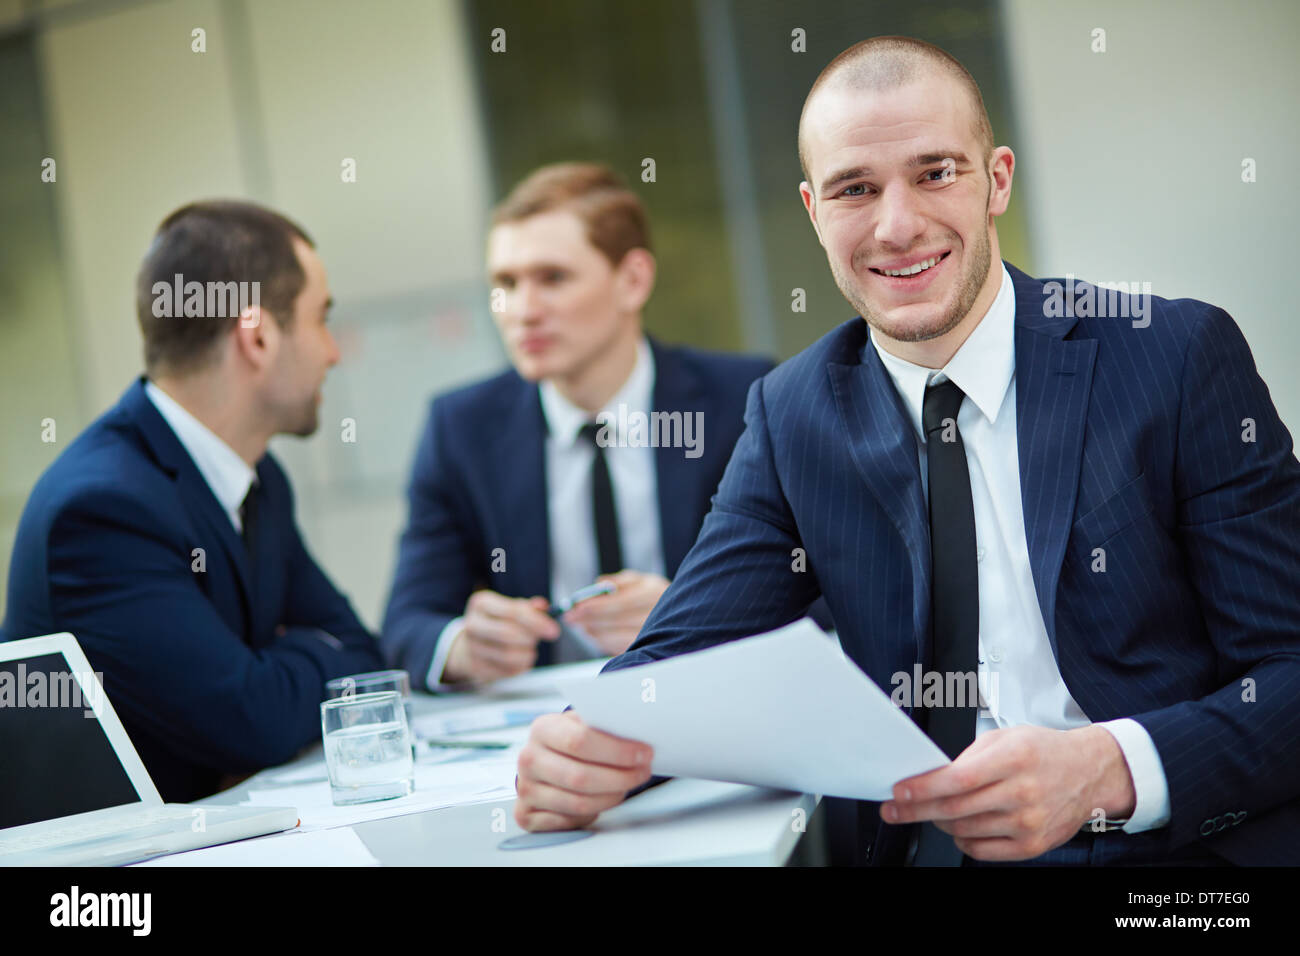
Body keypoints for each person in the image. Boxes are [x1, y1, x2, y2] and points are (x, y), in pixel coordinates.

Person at [511, 36, 1300, 866]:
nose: (897, 225)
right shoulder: (794, 412)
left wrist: (1111, 770)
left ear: (996, 181)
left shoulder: (1171, 356)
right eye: (856, 188)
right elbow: (679, 658)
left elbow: (1288, 668)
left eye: (935, 173)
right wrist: (585, 747)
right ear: (815, 212)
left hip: (1164, 860)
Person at [1, 201, 383, 802]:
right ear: (257, 337)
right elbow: (252, 722)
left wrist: (280, 670)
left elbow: (362, 649)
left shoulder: (261, 478)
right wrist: (301, 659)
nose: (333, 352)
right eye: (321, 320)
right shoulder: (102, 509)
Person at [381, 163, 778, 690]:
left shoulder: (746, 401)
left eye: (553, 279)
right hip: (544, 721)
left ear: (632, 280)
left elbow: (825, 590)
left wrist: (693, 616)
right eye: (506, 283)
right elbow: (408, 621)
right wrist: (461, 645)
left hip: (715, 699)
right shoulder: (461, 427)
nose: (523, 310)